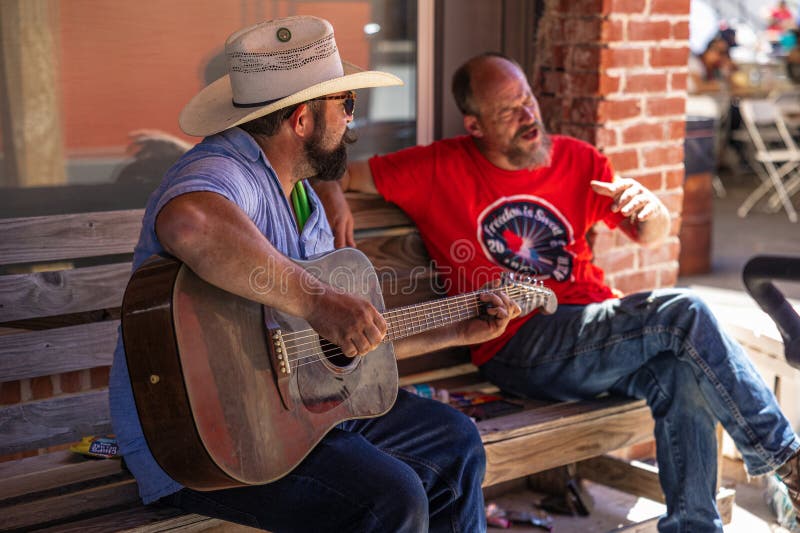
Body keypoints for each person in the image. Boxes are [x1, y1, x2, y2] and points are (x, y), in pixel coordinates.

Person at [315, 52, 800, 531]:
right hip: (517, 341)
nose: (528, 116)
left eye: (527, 100)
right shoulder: (436, 168)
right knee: (684, 312)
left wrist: (650, 210)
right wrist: (335, 197)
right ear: (475, 125)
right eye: (508, 110)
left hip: (594, 332)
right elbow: (333, 167)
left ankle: (697, 526)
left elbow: (650, 235)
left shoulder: (577, 159)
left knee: (678, 368)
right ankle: (784, 458)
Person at [109, 18, 522, 533]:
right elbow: (189, 222)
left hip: (301, 418)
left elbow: (334, 350)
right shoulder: (227, 170)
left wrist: (456, 331)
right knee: (389, 497)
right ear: (302, 119)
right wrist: (317, 301)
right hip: (208, 443)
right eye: (345, 103)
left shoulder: (303, 197)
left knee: (455, 443)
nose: (352, 120)